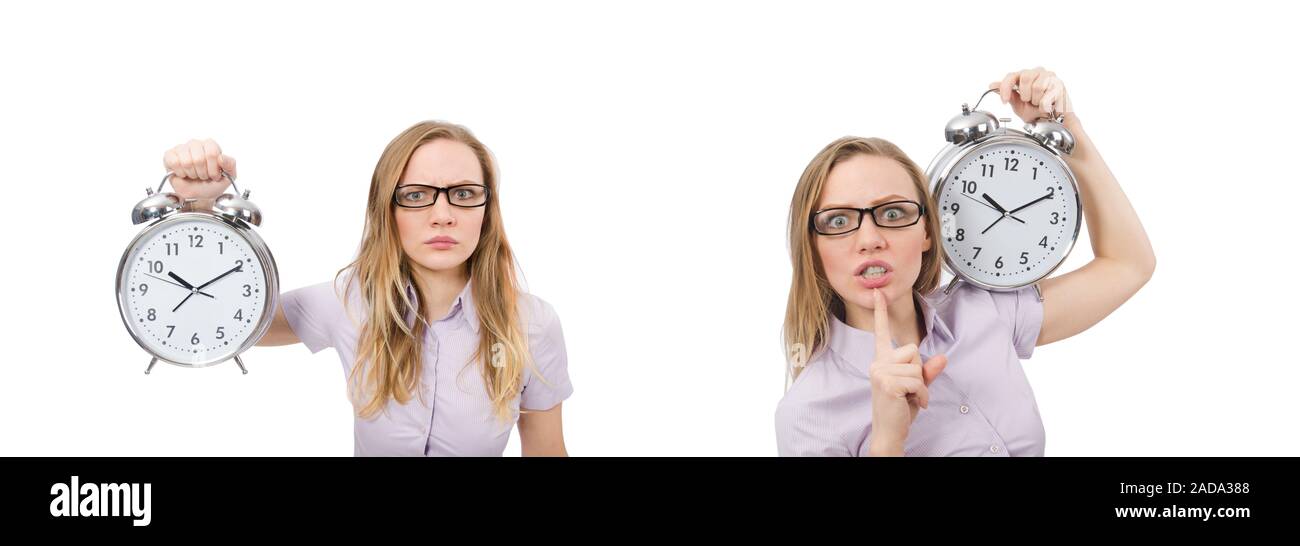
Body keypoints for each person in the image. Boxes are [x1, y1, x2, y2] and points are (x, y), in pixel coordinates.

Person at [776, 68, 1155, 456]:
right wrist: (888, 441)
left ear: (927, 232)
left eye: (893, 214)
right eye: (839, 221)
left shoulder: (982, 309)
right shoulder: (808, 413)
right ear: (812, 248)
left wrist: (1064, 128)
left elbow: (1128, 265)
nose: (870, 239)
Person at [162, 120, 572, 456]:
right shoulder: (347, 302)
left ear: (487, 208)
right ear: (386, 209)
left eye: (464, 194)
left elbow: (546, 453)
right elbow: (217, 321)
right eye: (416, 195)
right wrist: (199, 210)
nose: (443, 215)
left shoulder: (533, 324)